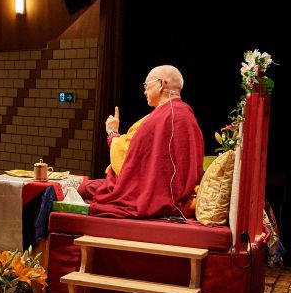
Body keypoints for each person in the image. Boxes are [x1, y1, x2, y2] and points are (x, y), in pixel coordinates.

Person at [80, 65, 204, 218]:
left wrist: (112, 133)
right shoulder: (188, 116)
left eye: (146, 85)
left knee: (83, 188)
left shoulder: (158, 119)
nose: (144, 91)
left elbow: (126, 161)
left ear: (160, 83)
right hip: (177, 196)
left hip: (148, 194)